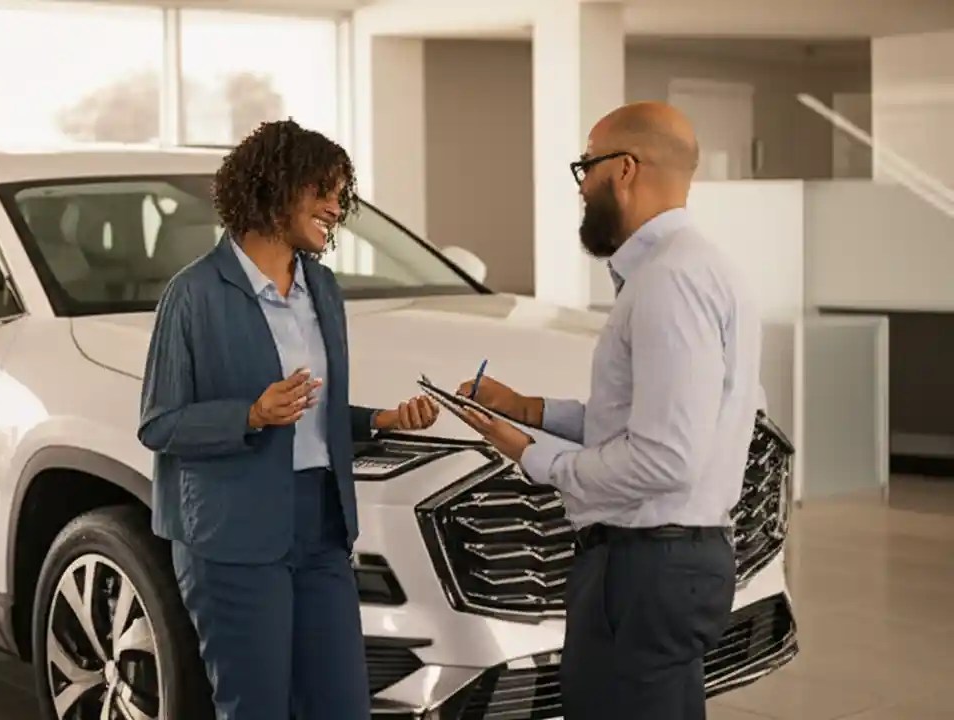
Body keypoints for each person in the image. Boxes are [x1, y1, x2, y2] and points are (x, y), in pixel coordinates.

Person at [449, 101, 762, 720]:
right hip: (665, 563)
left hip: (645, 567)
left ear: (623, 169)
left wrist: (531, 454)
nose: (582, 187)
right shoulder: (698, 268)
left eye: (584, 168)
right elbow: (647, 420)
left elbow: (664, 459)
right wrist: (528, 409)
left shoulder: (669, 281)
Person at [137, 119, 440, 720]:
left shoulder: (322, 289)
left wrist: (382, 419)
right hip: (232, 531)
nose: (335, 207)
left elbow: (314, 409)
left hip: (321, 526)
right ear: (275, 188)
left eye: (339, 194)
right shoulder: (194, 294)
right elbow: (159, 423)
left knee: (340, 706)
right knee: (257, 709)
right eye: (322, 191)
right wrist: (250, 414)